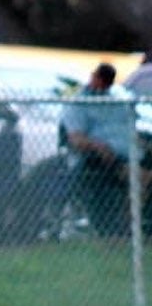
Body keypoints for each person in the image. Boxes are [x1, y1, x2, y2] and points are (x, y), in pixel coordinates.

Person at [61, 62, 152, 232]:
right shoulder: (79, 104)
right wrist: (98, 146)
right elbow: (76, 138)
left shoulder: (117, 98)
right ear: (94, 77)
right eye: (101, 79)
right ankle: (129, 227)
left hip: (134, 152)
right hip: (105, 157)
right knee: (143, 178)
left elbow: (132, 126)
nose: (103, 84)